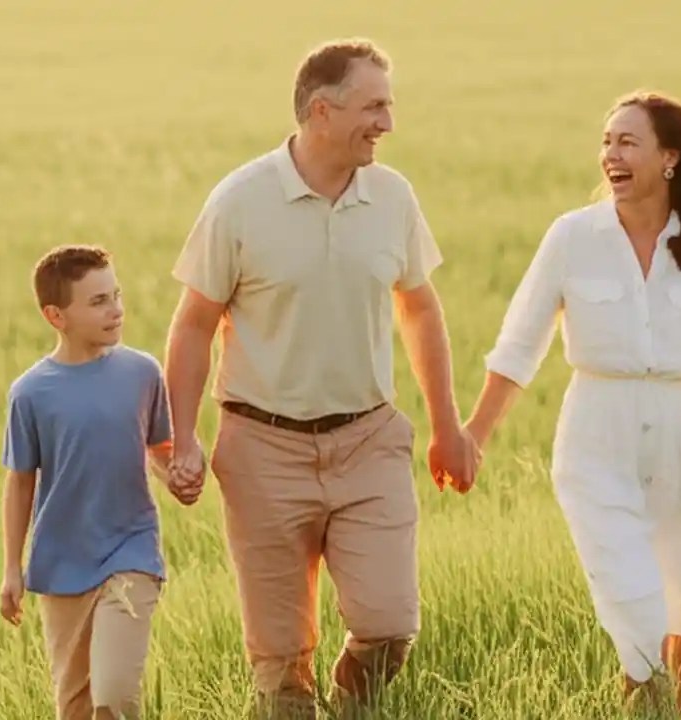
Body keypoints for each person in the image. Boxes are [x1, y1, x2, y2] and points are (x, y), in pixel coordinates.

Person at [463, 91, 681, 713]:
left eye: (627, 142)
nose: (610, 155)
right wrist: (473, 436)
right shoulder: (573, 236)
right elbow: (519, 346)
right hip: (599, 437)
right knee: (640, 621)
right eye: (606, 142)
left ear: (670, 158)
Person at [163, 38, 478, 717]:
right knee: (279, 668)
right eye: (374, 107)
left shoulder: (393, 197)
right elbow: (193, 324)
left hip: (368, 442)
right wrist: (181, 437)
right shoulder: (240, 201)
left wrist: (448, 427)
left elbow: (420, 310)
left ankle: (349, 706)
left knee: (390, 627)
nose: (387, 124)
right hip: (262, 451)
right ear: (321, 111)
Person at [0, 245, 197, 720]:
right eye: (98, 302)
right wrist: (11, 566)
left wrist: (177, 477)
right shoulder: (31, 394)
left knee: (115, 697)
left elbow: (157, 449)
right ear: (56, 316)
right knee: (77, 707)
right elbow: (20, 482)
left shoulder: (142, 373)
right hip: (61, 562)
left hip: (130, 551)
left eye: (116, 295)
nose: (116, 310)